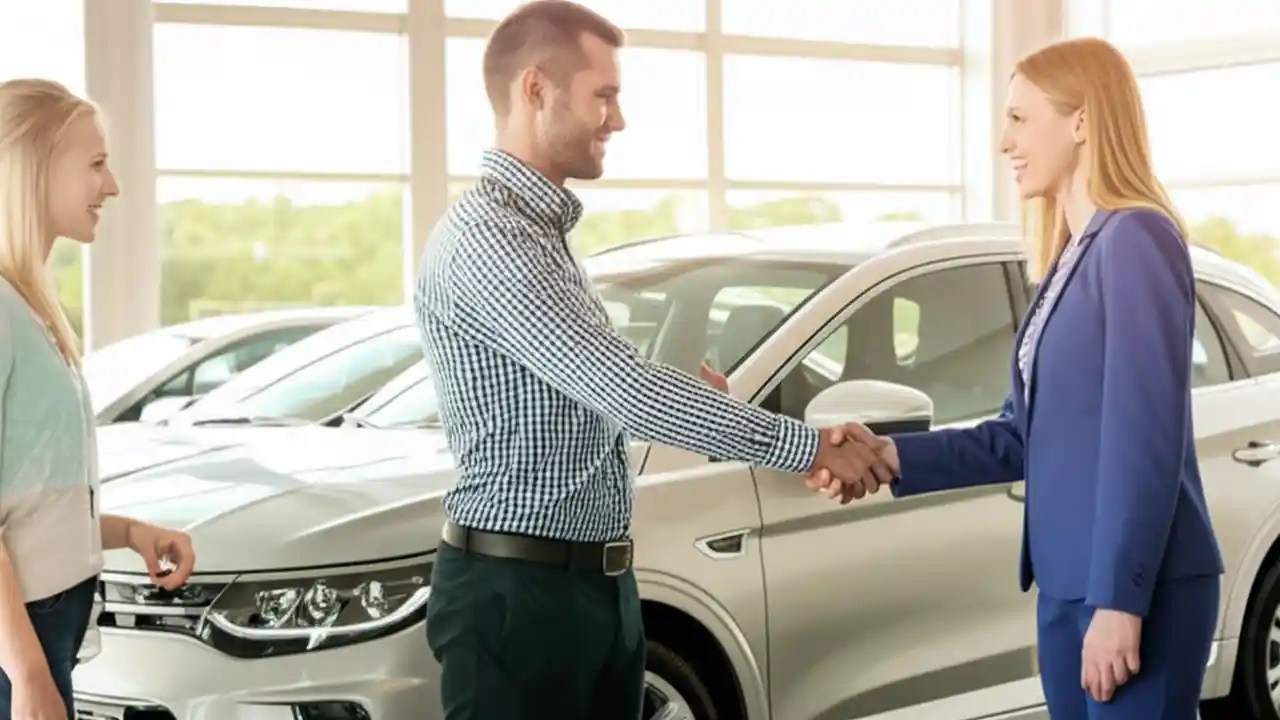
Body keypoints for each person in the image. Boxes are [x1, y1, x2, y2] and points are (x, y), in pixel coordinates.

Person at [412, 2, 890, 718]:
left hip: (593, 589)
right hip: (520, 600)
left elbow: (588, 387)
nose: (618, 119)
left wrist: (692, 398)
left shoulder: (542, 234)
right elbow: (620, 387)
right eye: (603, 95)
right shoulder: (491, 240)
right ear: (535, 89)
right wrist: (808, 445)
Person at [811, 37, 1224, 719]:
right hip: (1068, 584)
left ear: (1083, 121)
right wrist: (888, 455)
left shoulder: (1137, 240)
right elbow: (1020, 437)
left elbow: (1143, 439)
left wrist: (1121, 601)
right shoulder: (1066, 258)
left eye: (1020, 118)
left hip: (1131, 589)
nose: (1004, 141)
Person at [0, 78, 197, 720]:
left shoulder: (28, 310)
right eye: (95, 164)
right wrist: (28, 673)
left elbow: (28, 498)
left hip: (38, 632)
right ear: (33, 169)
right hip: (17, 645)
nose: (111, 186)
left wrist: (126, 531)